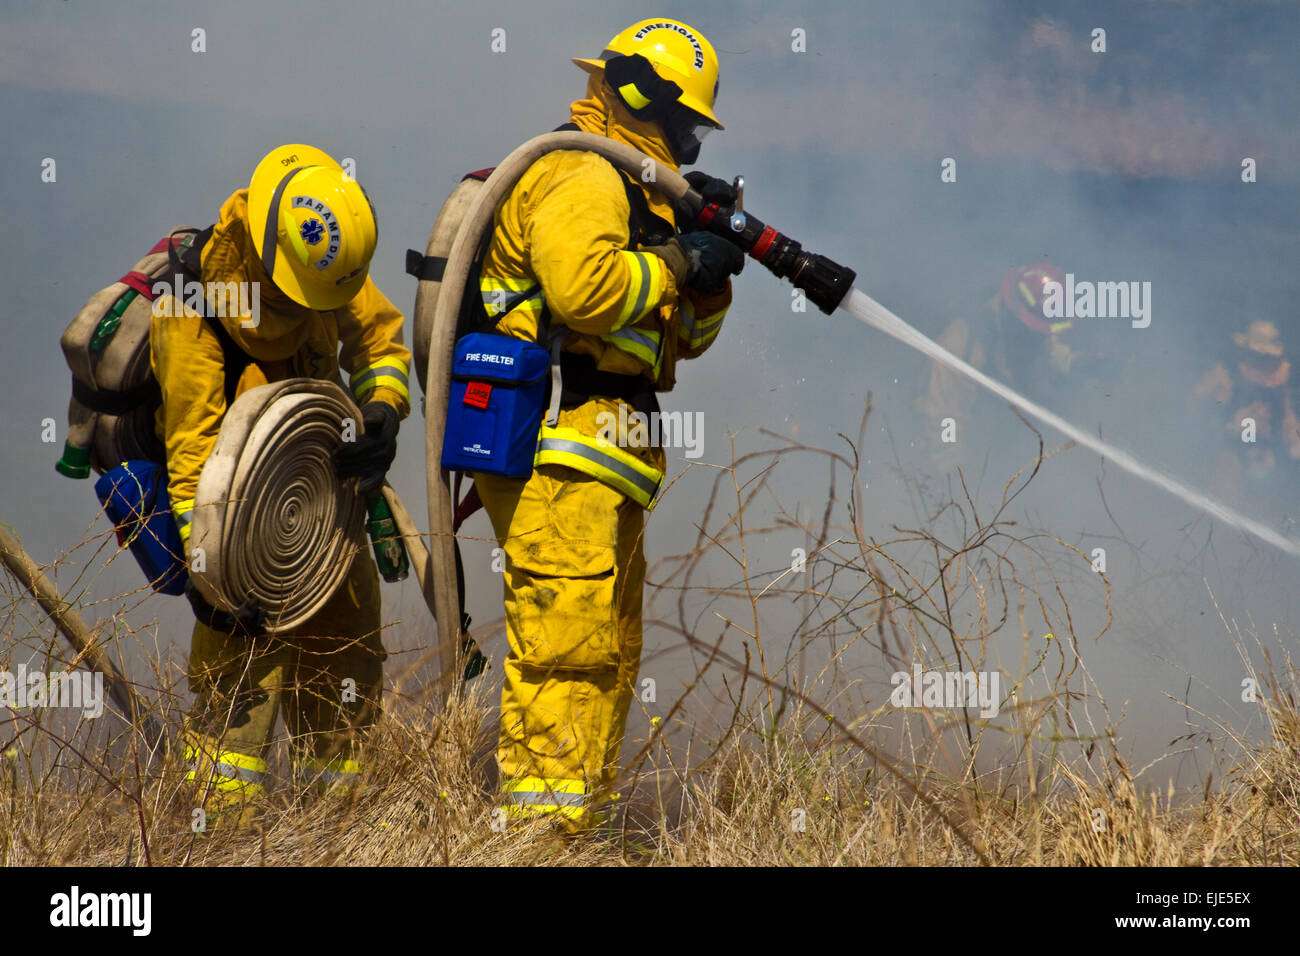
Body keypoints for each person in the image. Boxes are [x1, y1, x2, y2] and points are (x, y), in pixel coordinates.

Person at [468, 18, 744, 828]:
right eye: (686, 123)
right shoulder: (583, 177)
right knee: (563, 650)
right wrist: (677, 261)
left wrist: (708, 279)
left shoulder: (638, 195)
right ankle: (536, 834)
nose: (692, 142)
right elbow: (585, 294)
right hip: (558, 447)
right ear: (639, 101)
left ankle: (577, 822)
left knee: (610, 652)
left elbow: (677, 347)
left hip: (607, 454)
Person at [152, 144, 412, 828]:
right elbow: (190, 462)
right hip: (235, 530)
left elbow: (380, 343)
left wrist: (382, 407)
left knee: (347, 660)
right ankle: (223, 835)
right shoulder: (194, 307)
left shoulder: (325, 260)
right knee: (238, 688)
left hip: (328, 511)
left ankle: (339, 829)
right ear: (266, 253)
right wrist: (211, 575)